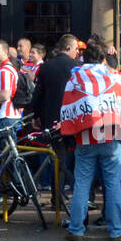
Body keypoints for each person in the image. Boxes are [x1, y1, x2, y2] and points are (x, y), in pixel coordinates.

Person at [60, 42, 121, 241]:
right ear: (102, 58)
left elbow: (67, 106)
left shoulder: (75, 79)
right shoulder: (116, 78)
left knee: (82, 184)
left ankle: (76, 230)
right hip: (111, 136)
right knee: (113, 185)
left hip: (85, 137)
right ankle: (116, 230)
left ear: (84, 57)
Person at [30, 35, 79, 212]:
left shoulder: (46, 68)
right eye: (75, 49)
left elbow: (38, 94)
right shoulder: (77, 67)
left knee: (56, 159)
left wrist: (36, 115)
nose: (77, 53)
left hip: (51, 120)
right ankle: (79, 197)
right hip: (73, 119)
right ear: (68, 48)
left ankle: (56, 197)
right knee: (77, 161)